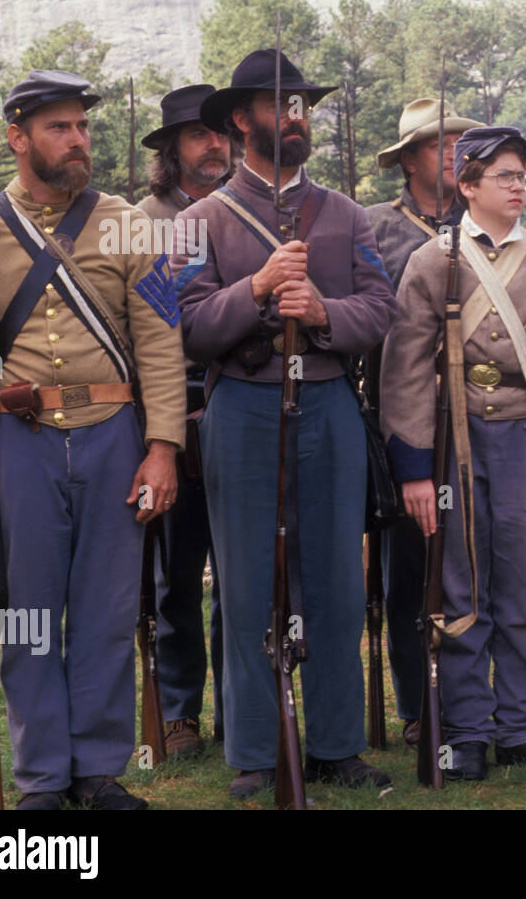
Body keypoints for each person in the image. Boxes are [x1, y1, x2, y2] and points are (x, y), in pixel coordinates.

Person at [0, 69, 186, 809]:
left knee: (110, 609)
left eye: (82, 126)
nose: (77, 139)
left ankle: (96, 770)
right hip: (18, 438)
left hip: (115, 431)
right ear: (17, 137)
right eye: (59, 127)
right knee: (30, 609)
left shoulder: (125, 222)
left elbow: (160, 338)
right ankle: (43, 777)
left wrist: (163, 445)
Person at [170, 49, 396, 799]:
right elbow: (189, 327)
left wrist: (326, 313)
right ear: (241, 120)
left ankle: (335, 744)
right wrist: (258, 290)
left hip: (328, 401)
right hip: (241, 405)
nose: (296, 117)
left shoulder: (348, 212)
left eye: (302, 105)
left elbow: (382, 309)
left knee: (334, 575)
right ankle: (256, 750)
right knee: (244, 581)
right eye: (280, 105)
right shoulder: (198, 222)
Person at [380, 126, 526, 781]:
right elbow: (407, 373)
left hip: (525, 439)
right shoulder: (431, 261)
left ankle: (523, 727)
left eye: (521, 175)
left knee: (521, 590)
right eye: (503, 175)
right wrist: (416, 467)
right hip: (453, 441)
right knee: (458, 586)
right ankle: (468, 728)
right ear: (467, 185)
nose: (517, 186)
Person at [365, 97, 482, 746]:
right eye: (442, 144)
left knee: (477, 563)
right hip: (405, 417)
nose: (458, 154)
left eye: (465, 143)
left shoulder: (489, 223)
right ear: (409, 158)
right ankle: (418, 706)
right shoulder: (375, 227)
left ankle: (477, 700)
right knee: (409, 572)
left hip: (483, 418)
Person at [137, 83, 231, 757]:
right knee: (176, 575)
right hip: (170, 414)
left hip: (237, 405)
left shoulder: (246, 214)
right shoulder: (140, 222)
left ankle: (242, 704)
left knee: (243, 571)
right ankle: (178, 713)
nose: (214, 146)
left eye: (221, 133)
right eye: (199, 135)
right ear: (172, 149)